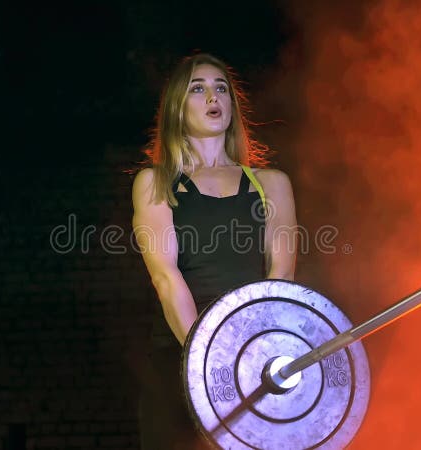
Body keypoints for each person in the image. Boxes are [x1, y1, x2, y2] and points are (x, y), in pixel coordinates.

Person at [131, 53, 297, 449]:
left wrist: (250, 357)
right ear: (177, 107)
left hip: (252, 357)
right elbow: (166, 278)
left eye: (221, 88)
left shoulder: (271, 183)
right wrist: (207, 363)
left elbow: (281, 277)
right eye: (198, 88)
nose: (213, 96)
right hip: (180, 354)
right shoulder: (155, 182)